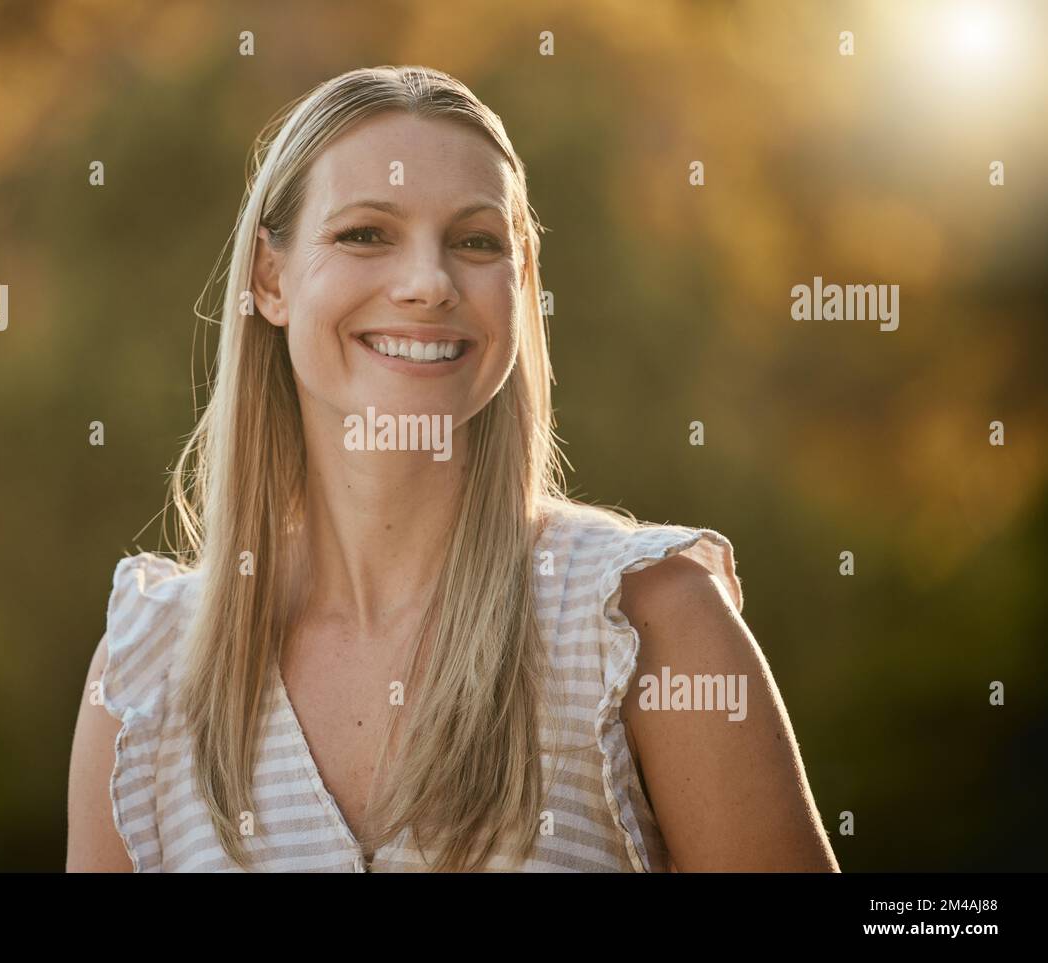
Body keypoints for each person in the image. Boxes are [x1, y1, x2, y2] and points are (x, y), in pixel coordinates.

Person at [67, 64, 839, 873]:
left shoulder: (646, 621)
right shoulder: (143, 673)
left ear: (522, 283)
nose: (429, 284)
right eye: (365, 233)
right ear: (270, 279)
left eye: (476, 242)